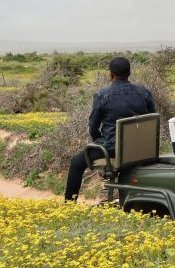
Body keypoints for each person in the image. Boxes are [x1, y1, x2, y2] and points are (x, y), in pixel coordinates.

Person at [64, 56, 156, 201]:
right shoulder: (145, 93)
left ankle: (68, 206)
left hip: (113, 148)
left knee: (76, 163)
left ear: (111, 74)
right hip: (140, 148)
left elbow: (93, 128)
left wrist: (101, 141)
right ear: (129, 73)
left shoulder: (102, 95)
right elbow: (151, 120)